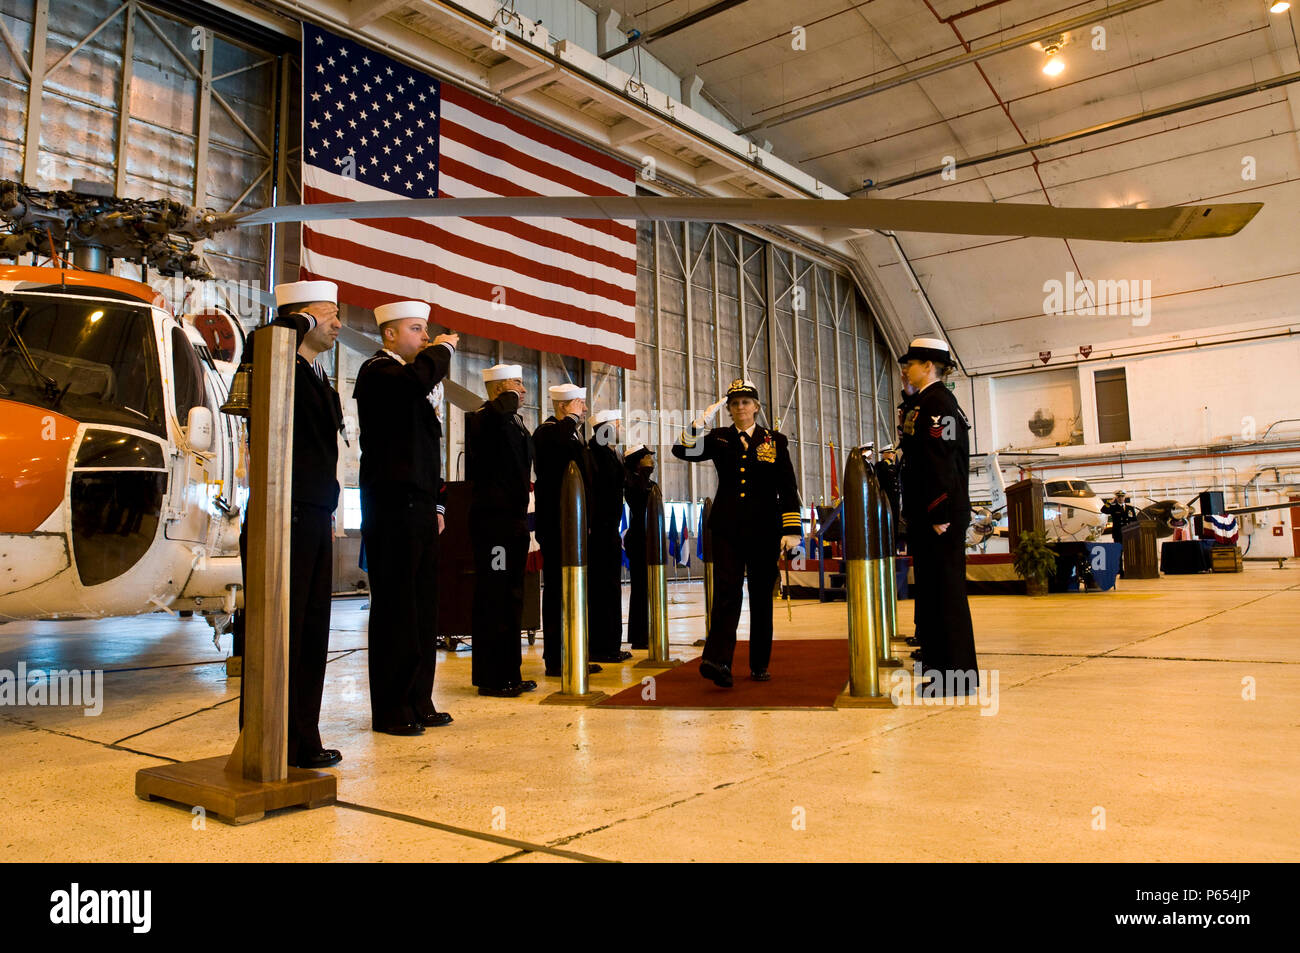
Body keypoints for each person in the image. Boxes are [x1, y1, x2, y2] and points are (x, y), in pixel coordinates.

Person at [239, 279, 346, 769]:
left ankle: (302, 735)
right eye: (330, 314)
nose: (339, 325)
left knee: (311, 631)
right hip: (281, 511)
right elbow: (265, 338)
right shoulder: (271, 352)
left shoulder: (317, 374)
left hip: (314, 510)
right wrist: (300, 317)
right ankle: (269, 736)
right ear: (301, 316)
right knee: (281, 629)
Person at [353, 300, 458, 735]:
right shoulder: (378, 372)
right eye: (417, 329)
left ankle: (419, 698)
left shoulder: (414, 382)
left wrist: (438, 504)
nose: (427, 337)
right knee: (396, 608)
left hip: (419, 507)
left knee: (422, 608)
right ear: (390, 334)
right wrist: (445, 351)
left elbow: (428, 454)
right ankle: (392, 708)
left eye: (428, 330)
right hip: (391, 507)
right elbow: (415, 380)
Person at [672, 379, 802, 687]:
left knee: (760, 597)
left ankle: (759, 663)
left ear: (756, 406)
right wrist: (698, 423)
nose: (739, 407)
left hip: (764, 529)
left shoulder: (775, 440)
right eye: (734, 403)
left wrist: (792, 529)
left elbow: (787, 486)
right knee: (726, 593)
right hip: (727, 527)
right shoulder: (719, 438)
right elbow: (682, 451)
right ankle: (717, 661)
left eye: (745, 401)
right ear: (729, 409)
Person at [897, 337, 979, 696]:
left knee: (946, 595)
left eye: (911, 364)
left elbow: (943, 461)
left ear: (928, 366)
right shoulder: (925, 401)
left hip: (939, 514)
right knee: (931, 594)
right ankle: (939, 668)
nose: (906, 369)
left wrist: (940, 511)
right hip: (928, 513)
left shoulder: (939, 403)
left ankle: (957, 676)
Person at [465, 363, 537, 697]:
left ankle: (510, 671)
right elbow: (493, 416)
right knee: (494, 596)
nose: (523, 390)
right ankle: (492, 676)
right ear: (498, 389)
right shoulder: (484, 417)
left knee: (511, 597)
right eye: (516, 384)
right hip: (493, 526)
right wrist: (504, 396)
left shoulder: (515, 422)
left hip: (513, 522)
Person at [532, 383, 601, 678]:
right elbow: (555, 451)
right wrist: (570, 418)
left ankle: (574, 652)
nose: (584, 410)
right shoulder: (548, 432)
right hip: (557, 522)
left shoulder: (570, 433)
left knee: (574, 591)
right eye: (578, 404)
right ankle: (556, 658)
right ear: (563, 406)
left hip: (575, 522)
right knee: (559, 591)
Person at [586, 409, 633, 663]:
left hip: (610, 529)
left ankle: (611, 645)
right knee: (603, 590)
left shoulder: (610, 452)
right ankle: (602, 647)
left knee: (611, 589)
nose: (621, 427)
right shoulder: (597, 454)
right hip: (600, 531)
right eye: (618, 423)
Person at [622, 445, 657, 650]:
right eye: (645, 457)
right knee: (640, 588)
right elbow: (638, 500)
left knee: (649, 588)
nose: (651, 461)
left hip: (650, 538)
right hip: (638, 539)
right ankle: (639, 635)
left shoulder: (647, 481)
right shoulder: (632, 481)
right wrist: (644, 474)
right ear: (636, 461)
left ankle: (648, 631)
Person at [1101, 490, 1139, 575]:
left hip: (1129, 534)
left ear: (1125, 497)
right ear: (1116, 498)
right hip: (1118, 534)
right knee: (1119, 553)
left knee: (1129, 552)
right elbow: (1103, 510)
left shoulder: (1130, 508)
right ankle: (1120, 570)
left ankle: (1130, 569)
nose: (1121, 498)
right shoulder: (1113, 507)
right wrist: (1109, 502)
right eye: (1119, 497)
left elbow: (1135, 521)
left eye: (1122, 496)